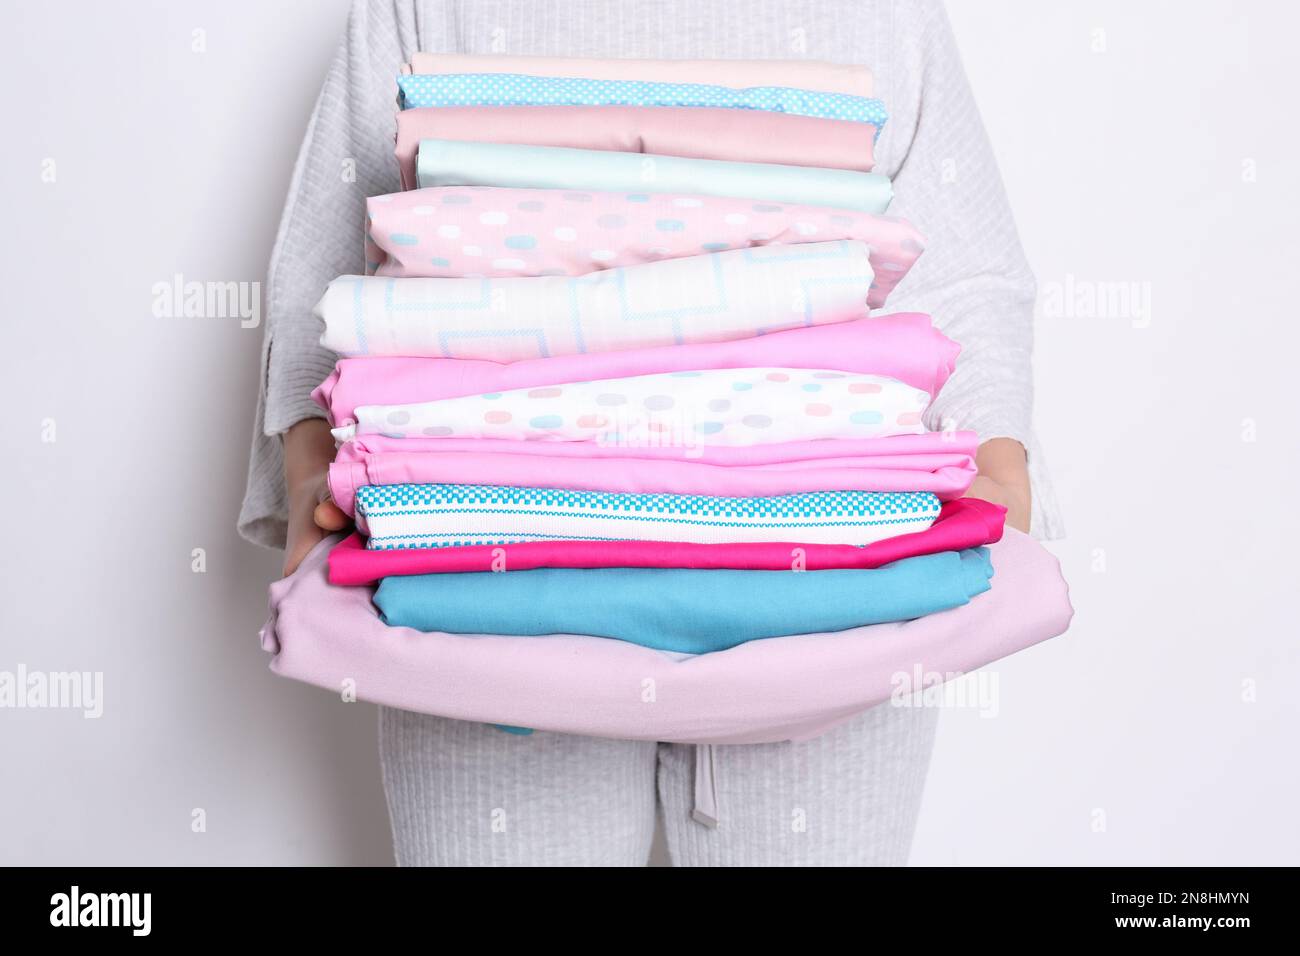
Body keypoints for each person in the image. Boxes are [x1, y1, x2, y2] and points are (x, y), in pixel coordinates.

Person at [239, 0, 1062, 866]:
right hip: (482, 606)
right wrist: (309, 469)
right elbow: (323, 261)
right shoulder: (425, 8)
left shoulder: (877, 15)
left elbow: (967, 271)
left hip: (835, 610)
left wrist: (995, 464)